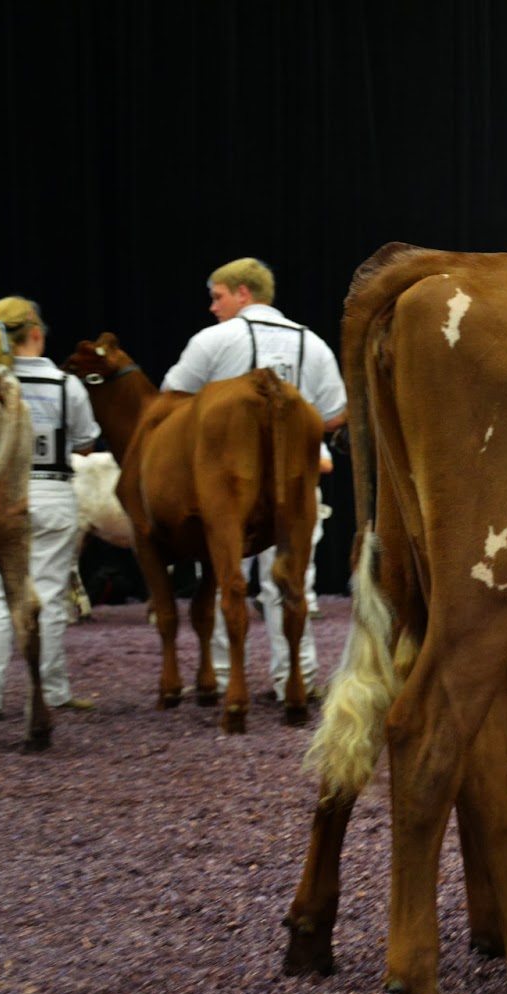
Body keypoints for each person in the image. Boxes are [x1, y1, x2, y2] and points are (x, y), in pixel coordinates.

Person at [162, 257, 346, 700]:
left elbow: (171, 399)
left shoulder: (215, 339)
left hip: (227, 488)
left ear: (243, 293)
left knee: (227, 576)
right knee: (292, 582)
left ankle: (226, 679)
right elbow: (335, 414)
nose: (213, 307)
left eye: (218, 296)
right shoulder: (313, 343)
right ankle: (293, 681)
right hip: (296, 484)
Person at [0, 296, 101, 718]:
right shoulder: (64, 384)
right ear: (36, 333)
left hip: (1, 495)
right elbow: (86, 444)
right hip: (52, 491)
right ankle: (52, 692)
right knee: (51, 597)